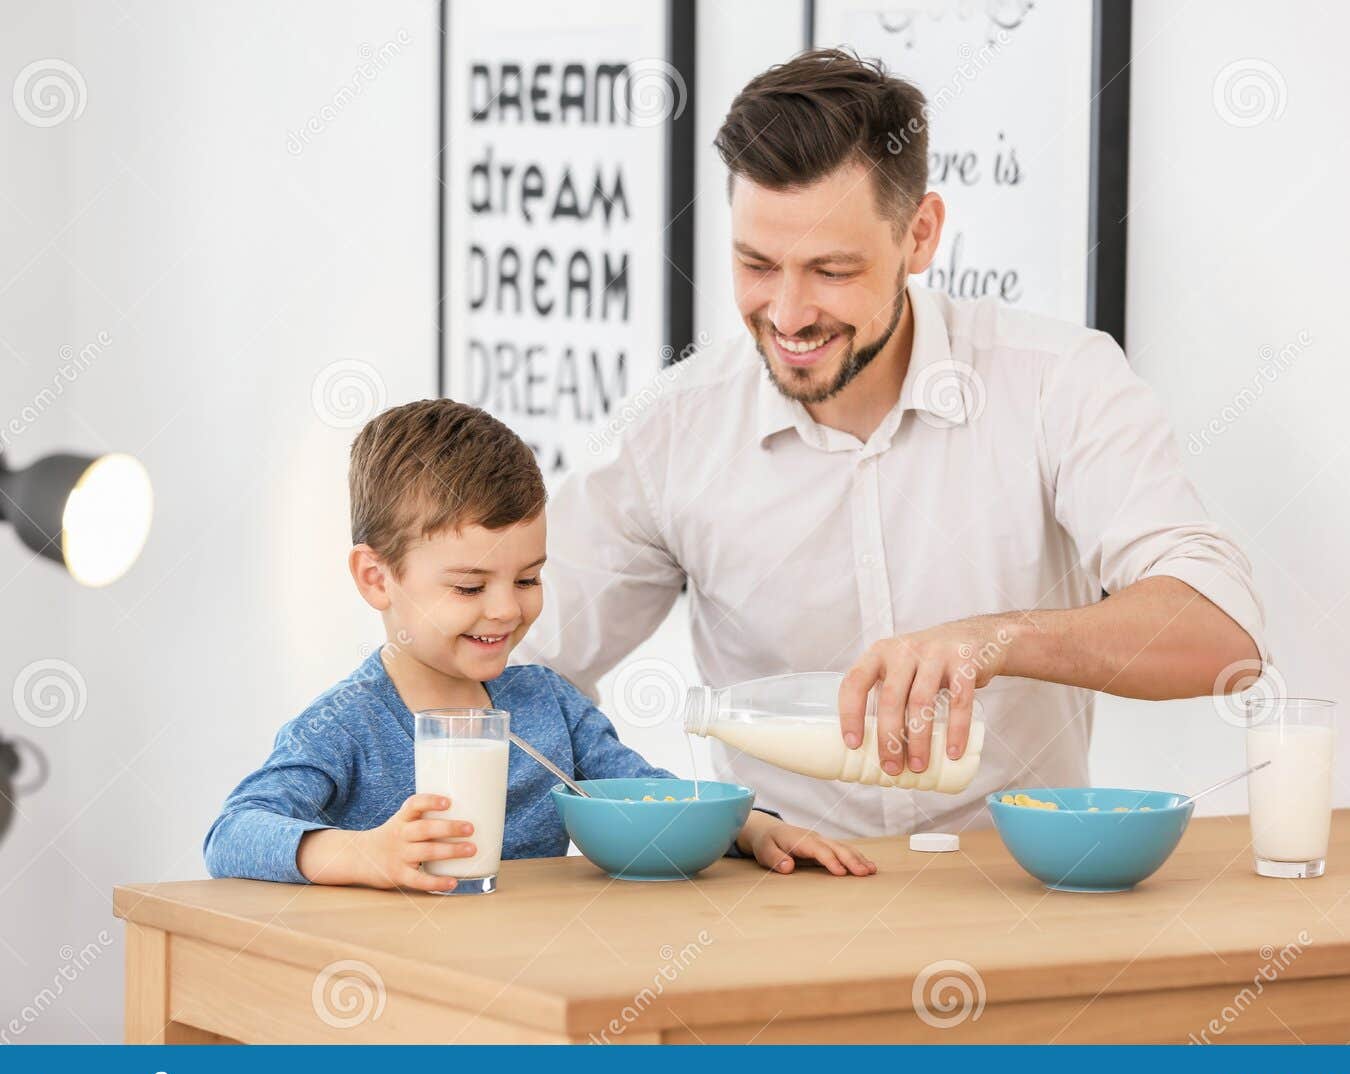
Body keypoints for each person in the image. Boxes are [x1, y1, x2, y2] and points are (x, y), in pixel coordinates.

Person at [515, 49, 1267, 838]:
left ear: (921, 234)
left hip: (1019, 895)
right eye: (756, 264)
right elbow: (514, 652)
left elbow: (1222, 632)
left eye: (833, 269)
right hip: (779, 904)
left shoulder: (1057, 382)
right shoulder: (674, 431)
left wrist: (995, 639)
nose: (789, 313)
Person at [205, 399, 875, 890]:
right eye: (469, 586)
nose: (507, 607)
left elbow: (640, 791)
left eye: (528, 577)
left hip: (533, 991)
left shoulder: (547, 705)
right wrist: (362, 855)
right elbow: (233, 833)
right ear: (377, 578)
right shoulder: (346, 724)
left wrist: (751, 828)